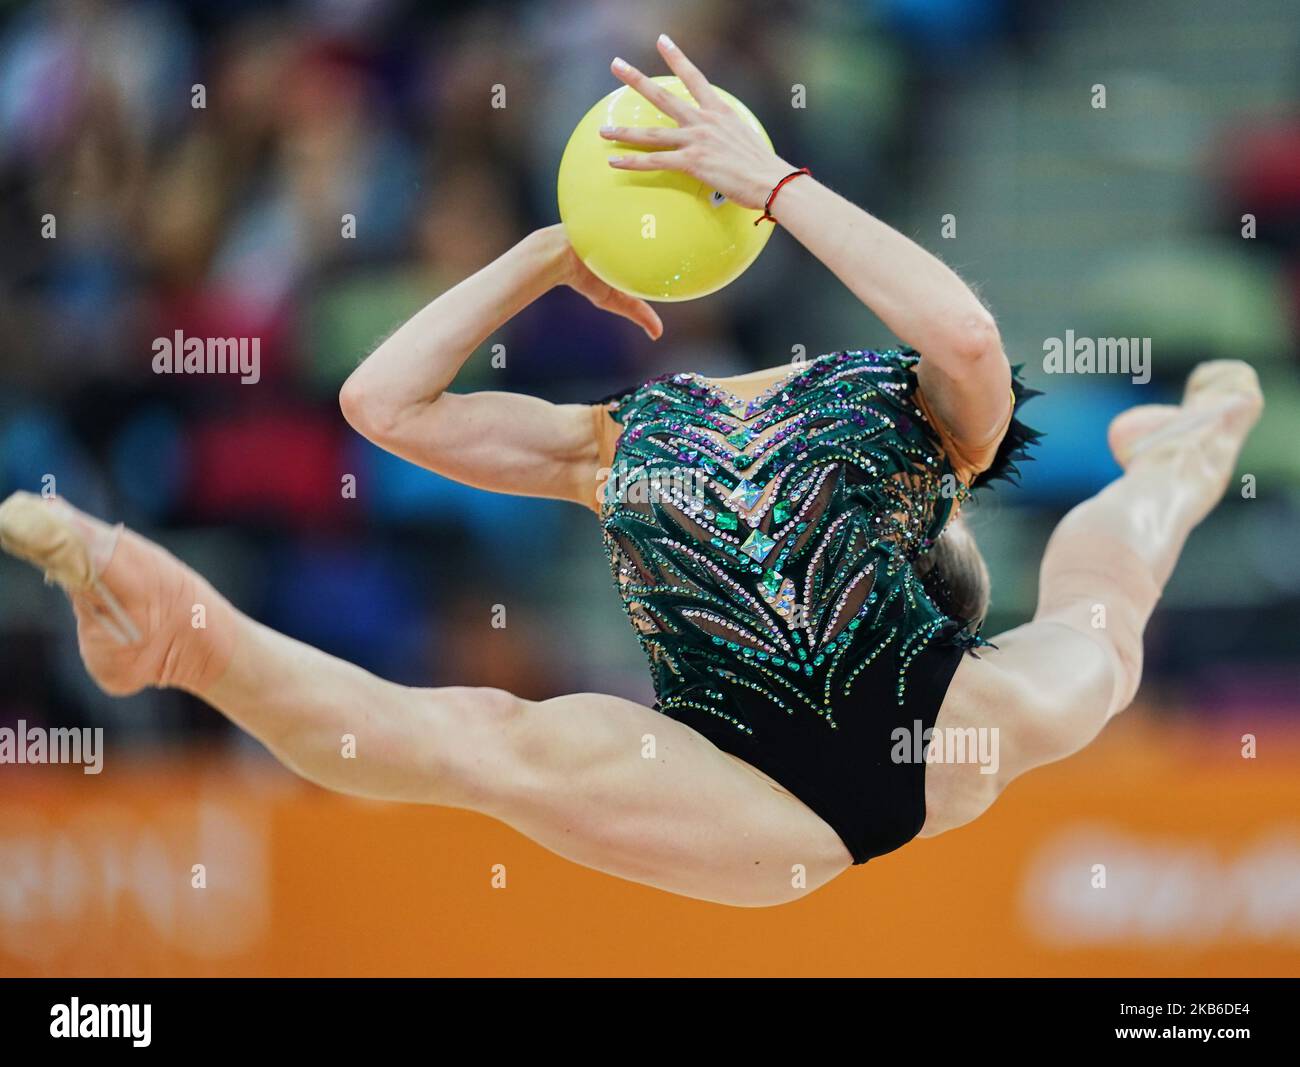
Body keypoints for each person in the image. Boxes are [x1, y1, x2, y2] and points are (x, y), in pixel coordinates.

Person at [0, 36, 1263, 907]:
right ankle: (1190, 443)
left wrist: (773, 184)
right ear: (931, 563)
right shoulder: (664, 438)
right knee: (1103, 608)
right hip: (769, 788)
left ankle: (189, 640)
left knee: (480, 743)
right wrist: (557, 242)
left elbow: (969, 333)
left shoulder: (886, 420)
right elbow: (376, 402)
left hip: (841, 790)